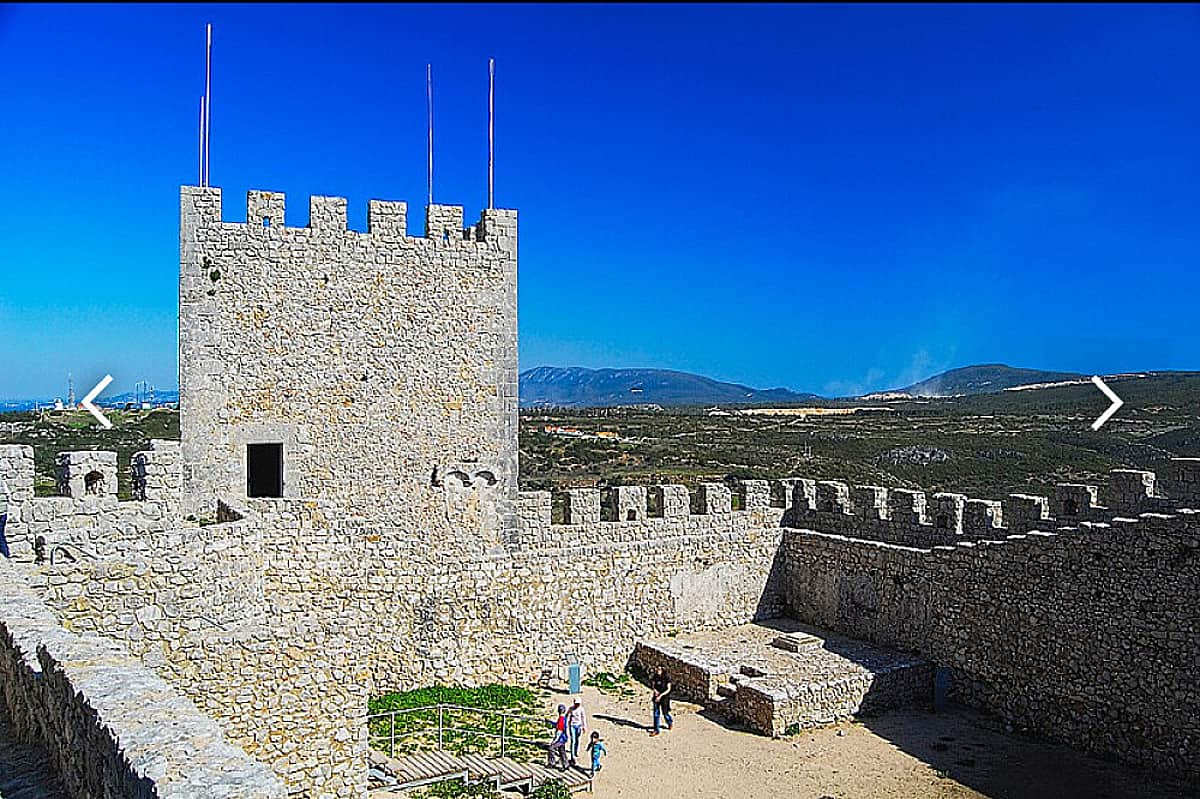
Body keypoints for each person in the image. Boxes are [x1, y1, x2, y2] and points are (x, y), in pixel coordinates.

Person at [649, 665, 673, 736]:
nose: (657, 670)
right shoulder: (655, 676)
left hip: (664, 698)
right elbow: (653, 685)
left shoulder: (666, 678)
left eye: (659, 669)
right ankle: (656, 730)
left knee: (665, 713)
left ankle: (669, 722)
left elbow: (668, 689)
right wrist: (655, 691)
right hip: (656, 697)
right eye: (657, 669)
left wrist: (661, 695)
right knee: (656, 713)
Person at [547, 704, 569, 770]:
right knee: (562, 750)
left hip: (560, 739)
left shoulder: (561, 720)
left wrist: (554, 741)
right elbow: (558, 726)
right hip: (564, 738)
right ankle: (566, 764)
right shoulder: (563, 718)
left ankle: (552, 763)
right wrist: (551, 723)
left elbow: (559, 732)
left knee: (551, 748)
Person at [566, 697, 587, 765]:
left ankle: (576, 751)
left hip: (579, 726)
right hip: (572, 725)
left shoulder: (581, 710)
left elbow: (583, 718)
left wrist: (584, 726)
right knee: (573, 740)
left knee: (578, 740)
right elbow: (567, 715)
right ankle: (572, 756)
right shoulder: (571, 709)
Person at [0, 474, 10, 559]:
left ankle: (5, 556)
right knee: (1, 535)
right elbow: (8, 495)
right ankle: (6, 555)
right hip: (3, 512)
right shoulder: (2, 482)